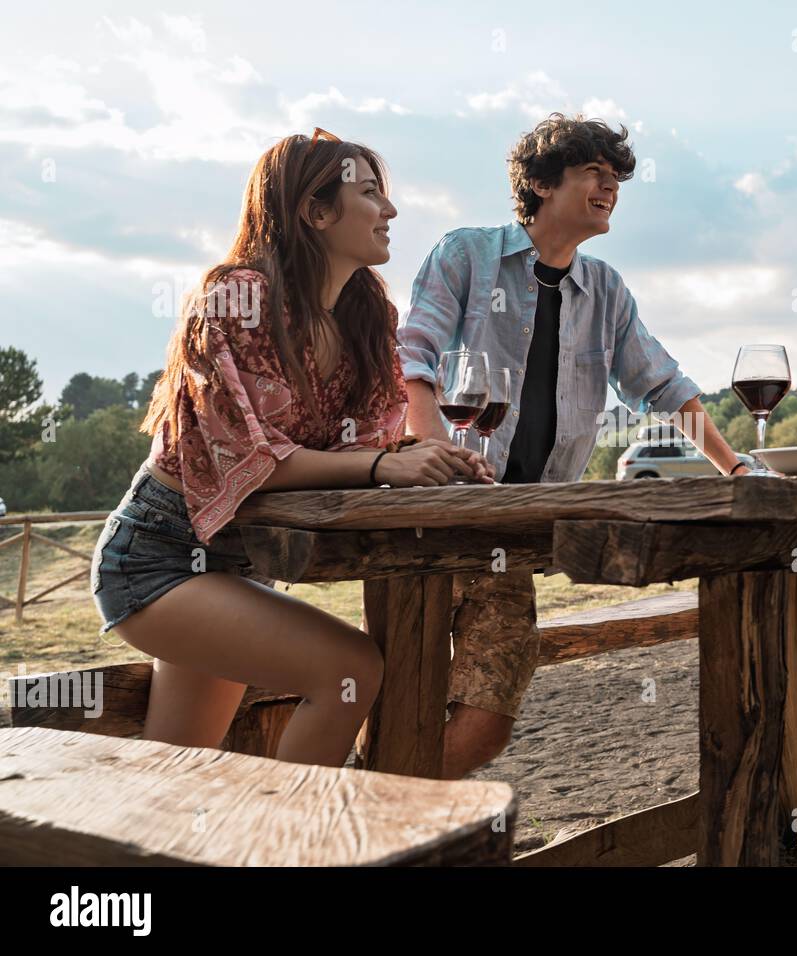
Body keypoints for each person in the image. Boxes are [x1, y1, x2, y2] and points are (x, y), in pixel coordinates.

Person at [91, 130, 492, 767]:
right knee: (350, 670)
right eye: (371, 195)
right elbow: (250, 461)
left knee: (174, 782)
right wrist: (389, 464)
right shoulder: (235, 300)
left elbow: (367, 443)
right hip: (159, 560)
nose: (390, 212)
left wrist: (428, 455)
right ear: (316, 211)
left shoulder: (367, 314)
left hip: (237, 567)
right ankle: (294, 849)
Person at [399, 113, 750, 776]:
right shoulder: (465, 255)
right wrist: (433, 457)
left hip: (516, 530)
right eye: (592, 171)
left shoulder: (606, 290)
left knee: (488, 717)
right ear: (539, 182)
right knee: (395, 693)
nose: (608, 186)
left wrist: (736, 468)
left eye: (615, 177)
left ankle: (374, 810)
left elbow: (663, 386)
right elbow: (412, 353)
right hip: (425, 523)